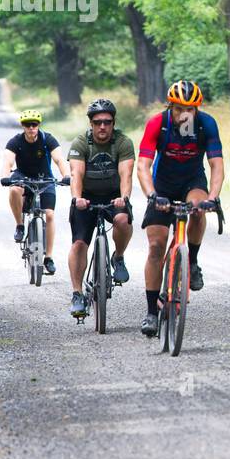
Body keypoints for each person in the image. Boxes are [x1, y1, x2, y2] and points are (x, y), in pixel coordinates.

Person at [136, 80, 224, 337]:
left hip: (192, 182)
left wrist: (214, 198)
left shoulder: (206, 124)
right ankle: (152, 312)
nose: (184, 114)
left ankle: (192, 261)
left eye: (190, 109)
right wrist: (152, 195)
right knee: (155, 246)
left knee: (198, 207)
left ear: (197, 109)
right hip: (162, 186)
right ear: (170, 106)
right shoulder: (157, 123)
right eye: (179, 109)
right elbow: (143, 165)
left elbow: (217, 165)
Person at [66, 98, 135, 319]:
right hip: (85, 198)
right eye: (97, 122)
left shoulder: (123, 142)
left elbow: (126, 175)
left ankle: (118, 257)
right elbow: (76, 174)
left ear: (114, 123)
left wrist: (123, 198)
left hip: (114, 196)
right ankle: (77, 294)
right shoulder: (80, 143)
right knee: (79, 243)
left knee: (123, 220)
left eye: (107, 122)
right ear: (91, 123)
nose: (102, 126)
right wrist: (77, 198)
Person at [2, 109, 69, 276]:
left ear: (39, 125)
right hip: (23, 176)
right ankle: (20, 225)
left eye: (34, 124)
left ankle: (49, 257)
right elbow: (8, 161)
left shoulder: (48, 139)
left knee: (50, 215)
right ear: (23, 126)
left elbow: (59, 159)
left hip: (45, 178)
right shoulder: (15, 141)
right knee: (15, 189)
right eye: (27, 125)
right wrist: (4, 176)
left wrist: (66, 175)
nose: (31, 128)